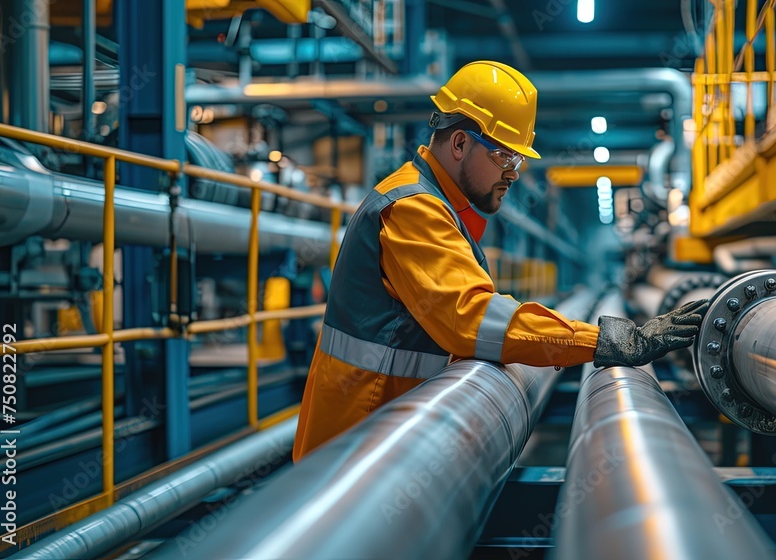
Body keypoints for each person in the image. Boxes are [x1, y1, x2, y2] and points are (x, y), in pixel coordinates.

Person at [292, 61, 707, 462]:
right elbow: (472, 318)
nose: (514, 173)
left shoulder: (437, 205)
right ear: (459, 143)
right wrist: (604, 341)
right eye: (505, 157)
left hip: (383, 432)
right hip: (356, 447)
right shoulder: (414, 208)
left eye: (519, 161)